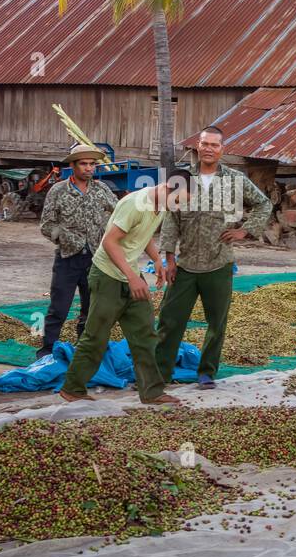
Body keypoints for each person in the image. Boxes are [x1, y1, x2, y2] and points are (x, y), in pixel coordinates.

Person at [58, 170, 194, 405]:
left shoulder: (162, 206)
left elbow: (144, 235)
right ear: (167, 188)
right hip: (108, 276)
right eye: (179, 201)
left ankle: (152, 392)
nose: (179, 208)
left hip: (129, 274)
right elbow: (109, 242)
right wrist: (133, 277)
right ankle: (73, 388)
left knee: (146, 335)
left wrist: (156, 261)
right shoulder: (135, 204)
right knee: (96, 336)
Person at [155, 126, 272, 388]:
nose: (208, 149)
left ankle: (206, 372)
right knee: (169, 321)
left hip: (219, 263)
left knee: (216, 323)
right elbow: (171, 219)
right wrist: (170, 259)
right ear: (198, 146)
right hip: (184, 265)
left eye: (214, 145)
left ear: (222, 149)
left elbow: (264, 203)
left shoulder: (235, 180)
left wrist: (245, 231)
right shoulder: (182, 179)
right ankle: (160, 372)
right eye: (205, 144)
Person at [36, 143, 118, 358]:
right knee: (58, 308)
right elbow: (46, 224)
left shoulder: (102, 190)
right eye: (83, 164)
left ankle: (85, 349)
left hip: (97, 259)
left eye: (92, 164)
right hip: (68, 258)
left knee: (91, 308)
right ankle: (46, 351)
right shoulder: (58, 190)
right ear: (73, 166)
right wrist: (63, 238)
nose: (89, 168)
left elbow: (119, 214)